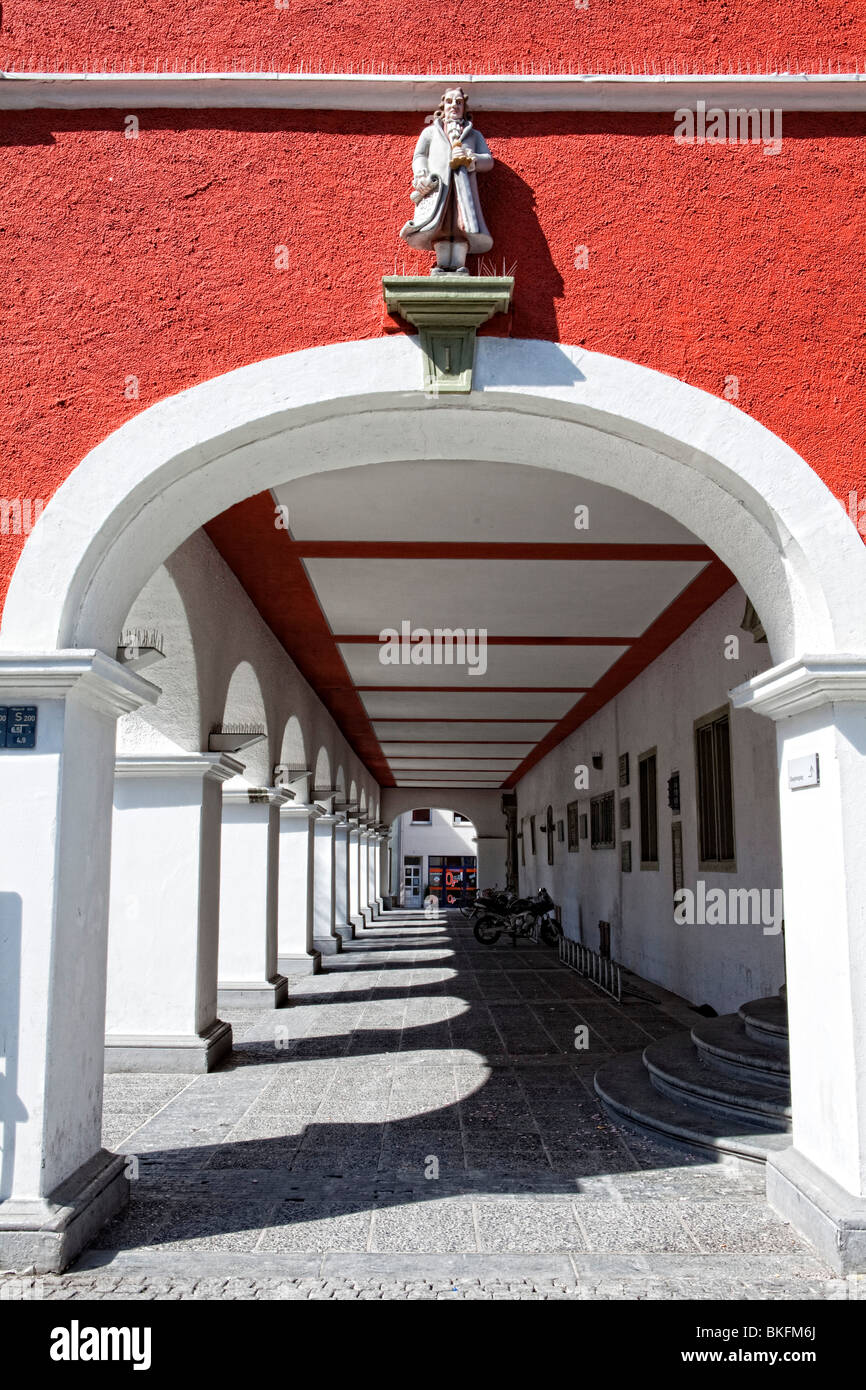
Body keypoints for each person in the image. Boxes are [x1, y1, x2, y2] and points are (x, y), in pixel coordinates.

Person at [400, 87, 494, 275]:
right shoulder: (430, 132)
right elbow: (419, 155)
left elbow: (488, 161)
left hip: (463, 188)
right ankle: (442, 263)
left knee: (461, 222)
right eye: (450, 102)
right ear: (443, 105)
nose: (454, 106)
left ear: (464, 107)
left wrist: (471, 158)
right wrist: (421, 173)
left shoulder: (474, 135)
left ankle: (459, 264)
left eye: (459, 102)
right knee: (440, 223)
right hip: (439, 187)